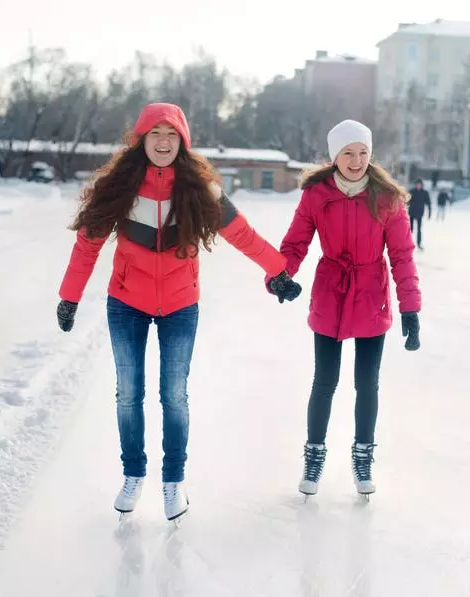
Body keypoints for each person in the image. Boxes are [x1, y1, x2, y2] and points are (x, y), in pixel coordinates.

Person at [56, 103, 301, 521]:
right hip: (126, 302)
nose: (164, 143)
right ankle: (133, 473)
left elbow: (242, 233)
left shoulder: (200, 189)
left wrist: (277, 271)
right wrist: (70, 296)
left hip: (180, 304)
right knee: (129, 394)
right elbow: (87, 244)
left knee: (174, 395)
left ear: (183, 142)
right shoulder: (119, 186)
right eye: (156, 134)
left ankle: (173, 481)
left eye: (172, 135)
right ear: (142, 140)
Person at [268, 120, 422, 498]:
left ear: (371, 155)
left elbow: (402, 256)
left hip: (371, 292)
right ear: (335, 156)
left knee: (367, 382)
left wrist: (410, 308)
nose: (356, 161)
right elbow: (295, 243)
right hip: (331, 291)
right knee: (325, 381)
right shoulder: (316, 195)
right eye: (348, 153)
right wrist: (279, 275)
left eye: (362, 153)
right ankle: (314, 454)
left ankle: (363, 454)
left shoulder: (388, 198)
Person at [408, 178, 432, 249]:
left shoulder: (425, 193)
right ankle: (409, 243)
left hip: (419, 213)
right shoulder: (411, 191)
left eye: (420, 184)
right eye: (417, 184)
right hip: (412, 212)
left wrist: (429, 213)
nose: (418, 186)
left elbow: (429, 203)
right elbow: (406, 201)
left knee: (419, 229)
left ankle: (419, 244)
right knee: (410, 229)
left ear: (422, 185)